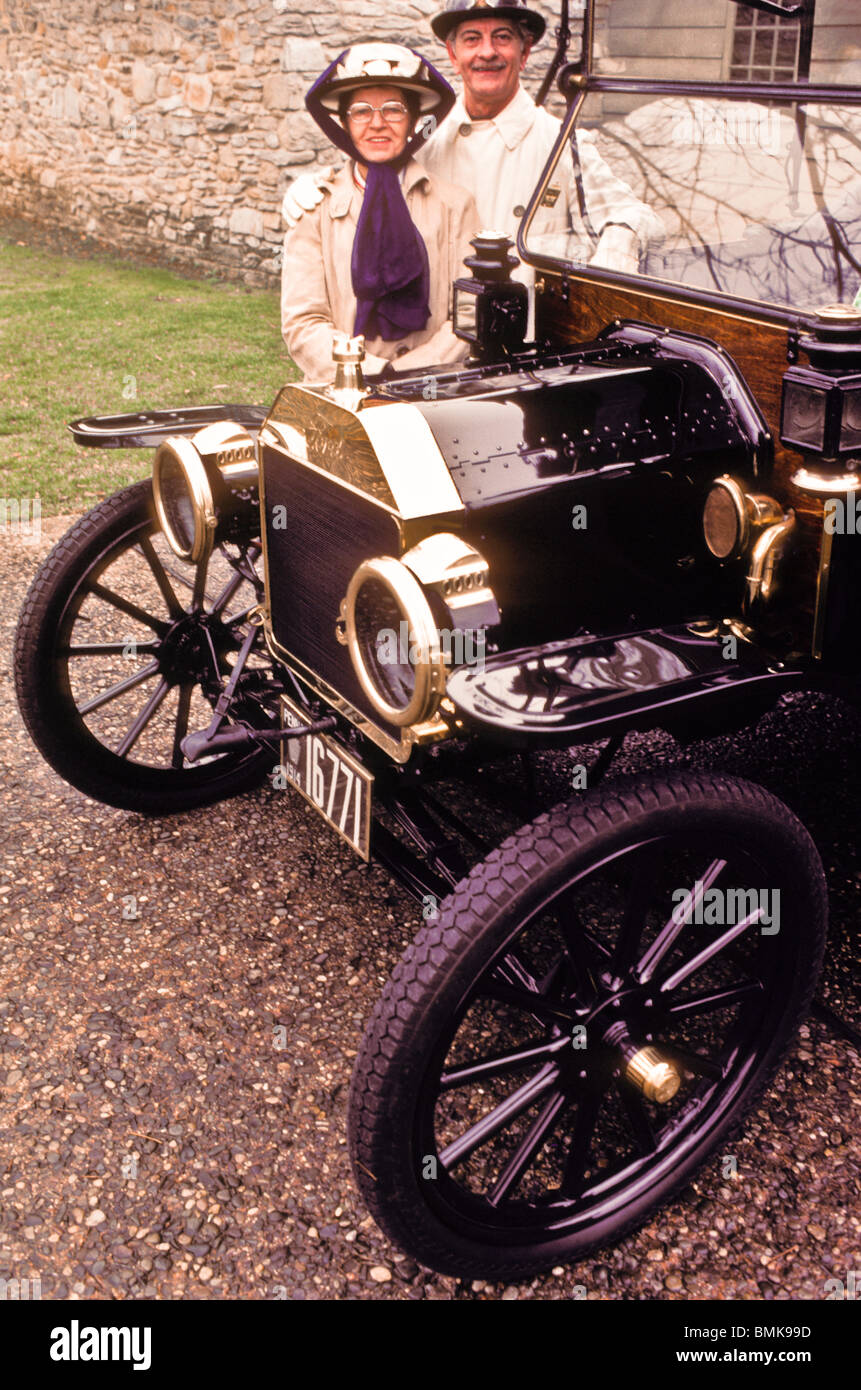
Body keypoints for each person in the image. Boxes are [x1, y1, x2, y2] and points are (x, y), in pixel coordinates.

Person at [283, 2, 663, 328]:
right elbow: (373, 161)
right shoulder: (427, 134)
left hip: (524, 349)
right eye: (471, 39)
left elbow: (637, 216)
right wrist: (318, 184)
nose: (487, 52)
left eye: (502, 37)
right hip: (431, 343)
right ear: (453, 55)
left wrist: (620, 238)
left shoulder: (559, 141)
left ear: (524, 51)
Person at [281, 42, 480, 381]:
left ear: (414, 119)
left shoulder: (455, 205)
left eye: (393, 109)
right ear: (344, 123)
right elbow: (303, 323)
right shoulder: (315, 208)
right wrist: (367, 372)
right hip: (342, 390)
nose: (377, 124)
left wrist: (408, 373)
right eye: (360, 111)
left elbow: (469, 312)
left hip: (430, 388)